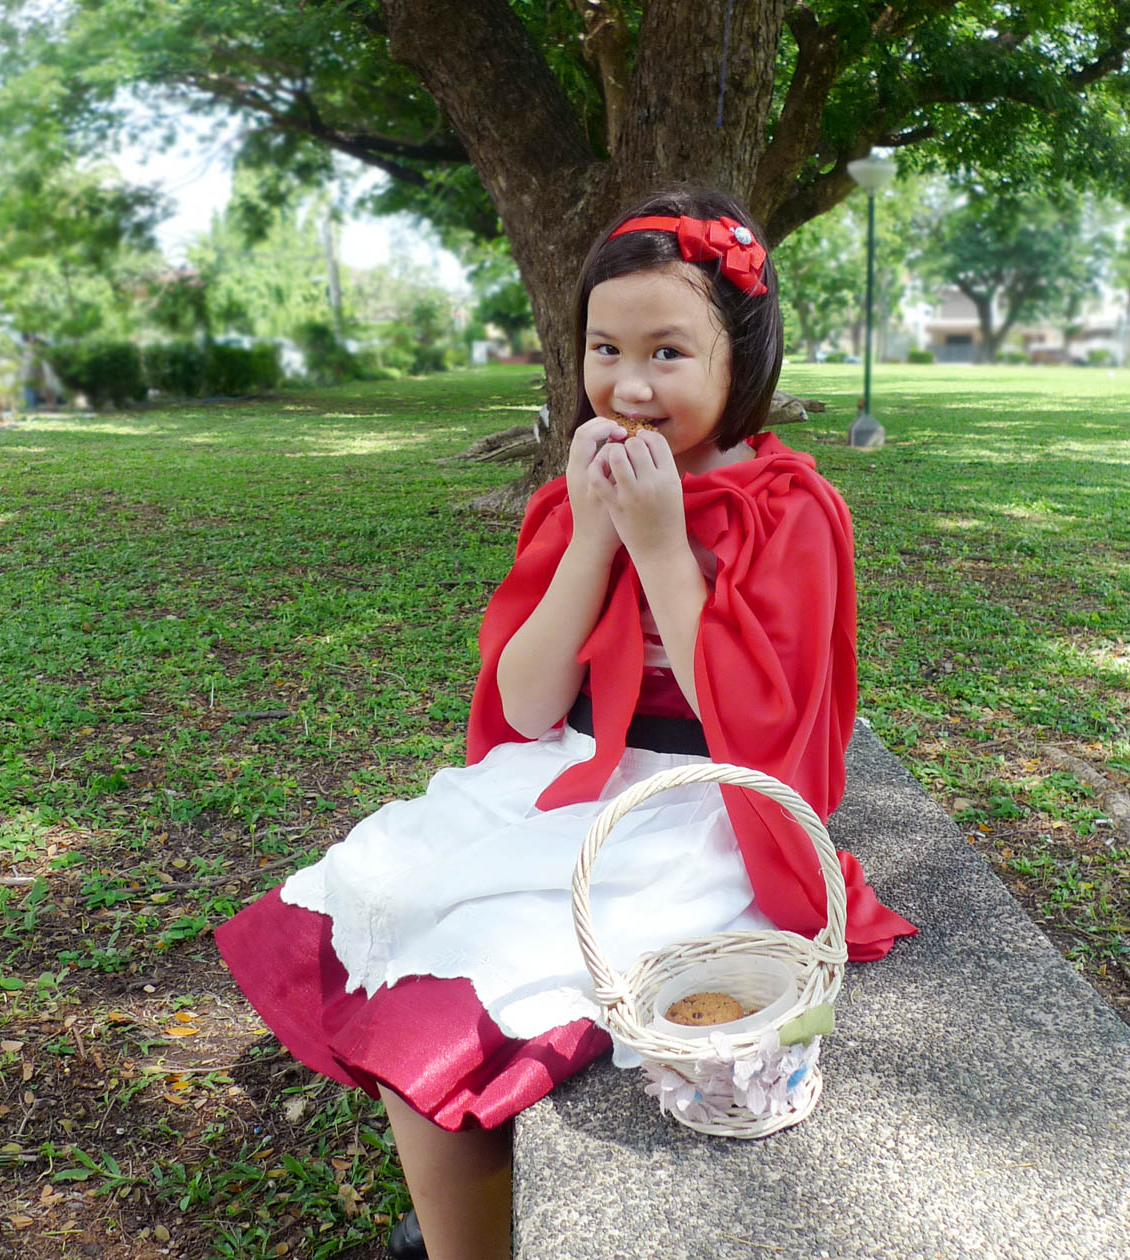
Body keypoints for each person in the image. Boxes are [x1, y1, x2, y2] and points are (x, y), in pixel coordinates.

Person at [215, 187, 917, 1260]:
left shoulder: (789, 513)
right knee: (389, 910)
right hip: (571, 774)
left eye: (668, 352)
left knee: (464, 993)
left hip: (704, 816)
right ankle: (464, 1215)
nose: (629, 386)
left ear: (741, 358)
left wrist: (663, 546)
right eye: (605, 349)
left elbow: (758, 730)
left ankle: (464, 1219)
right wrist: (594, 535)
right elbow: (529, 704)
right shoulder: (573, 498)